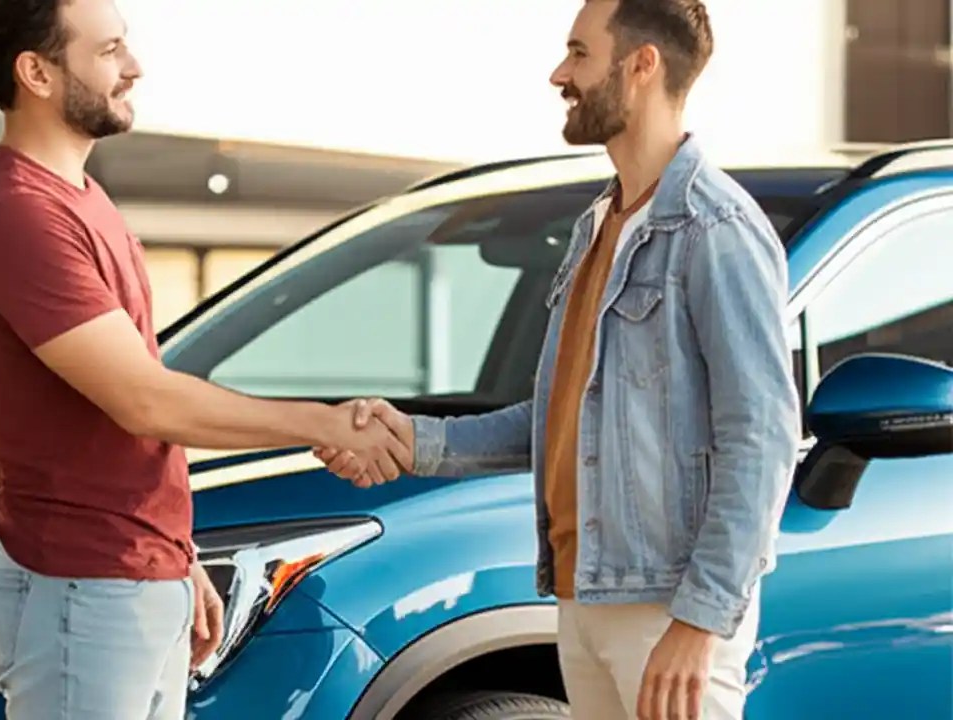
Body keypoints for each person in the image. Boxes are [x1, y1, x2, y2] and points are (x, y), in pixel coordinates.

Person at [315, 1, 800, 719]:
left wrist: (699, 621)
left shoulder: (714, 228)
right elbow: (564, 413)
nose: (559, 74)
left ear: (642, 66)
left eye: (579, 52)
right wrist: (414, 438)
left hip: (665, 607)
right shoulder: (597, 226)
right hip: (584, 596)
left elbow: (762, 437)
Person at [0, 1, 407, 718]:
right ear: (35, 71)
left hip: (118, 574)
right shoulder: (20, 214)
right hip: (80, 589)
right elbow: (145, 401)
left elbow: (119, 426)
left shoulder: (81, 199)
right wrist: (328, 423)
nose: (133, 67)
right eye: (108, 51)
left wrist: (173, 550)